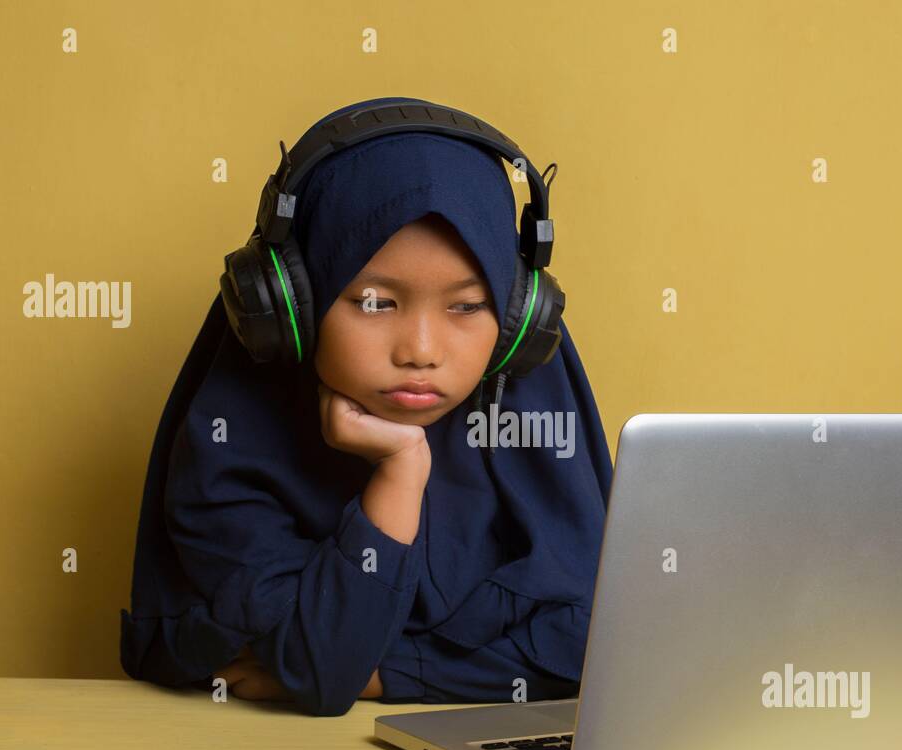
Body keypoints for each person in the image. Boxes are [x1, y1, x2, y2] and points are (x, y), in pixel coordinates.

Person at [118, 96, 613, 716]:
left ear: (519, 320)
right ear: (290, 304)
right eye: (376, 302)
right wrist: (400, 473)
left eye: (466, 306)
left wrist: (386, 675)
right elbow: (323, 668)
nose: (421, 351)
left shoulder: (529, 397)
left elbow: (603, 646)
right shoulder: (229, 433)